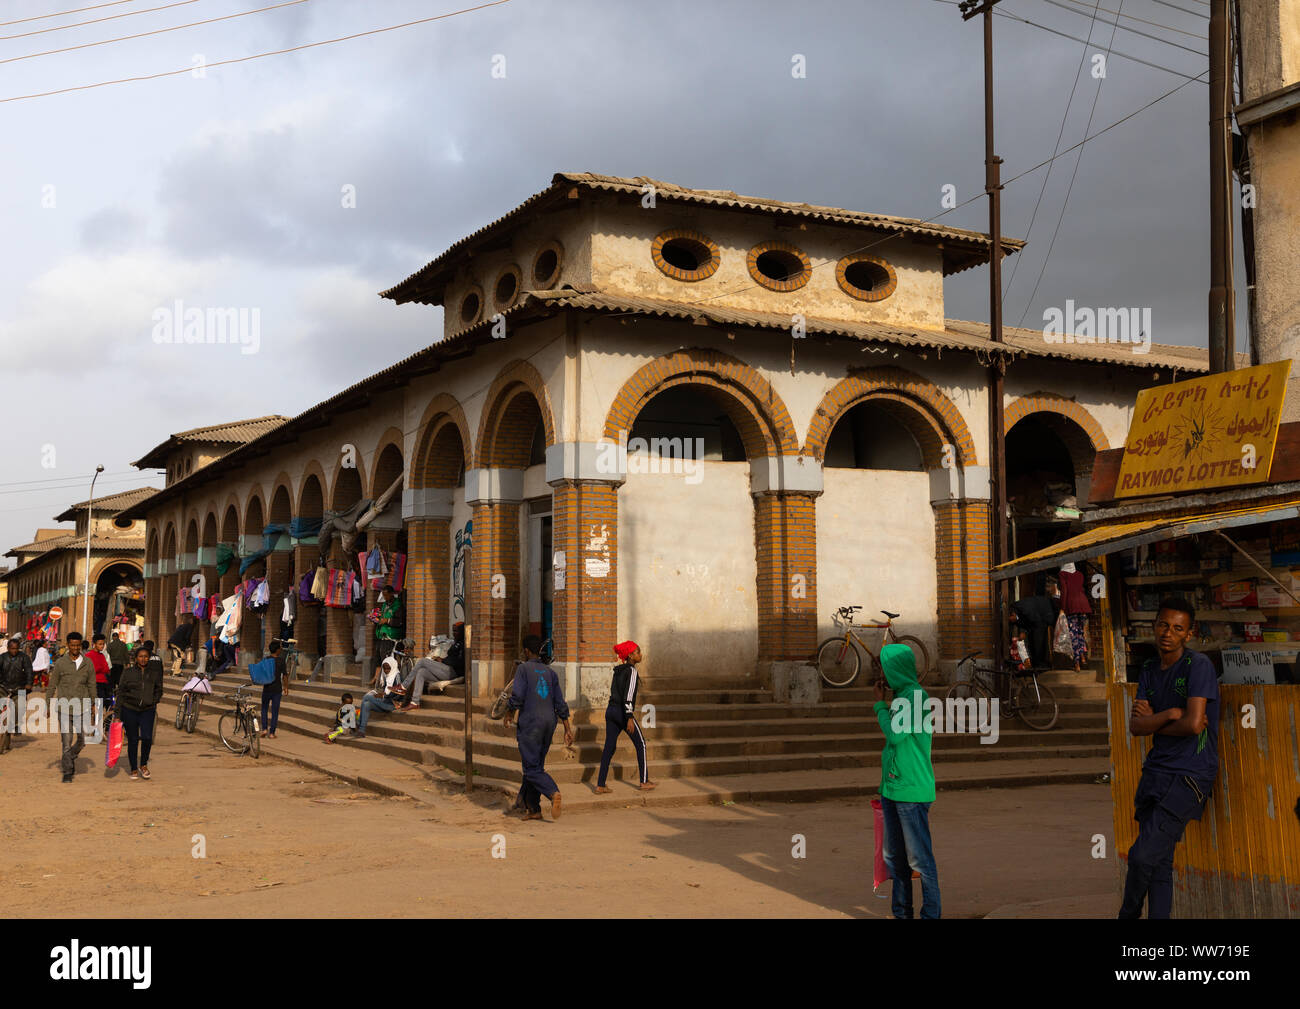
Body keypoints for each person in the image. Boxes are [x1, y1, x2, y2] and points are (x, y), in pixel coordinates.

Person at [1120, 596, 1219, 920]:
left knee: (1141, 857)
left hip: (1189, 776)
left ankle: (1127, 916)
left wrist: (1158, 720)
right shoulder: (1149, 668)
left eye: (1177, 628)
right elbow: (1136, 726)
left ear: (1188, 635)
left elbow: (1193, 724)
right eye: (1163, 625)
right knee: (1159, 865)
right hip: (1156, 774)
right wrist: (1169, 714)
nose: (1168, 633)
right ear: (1155, 626)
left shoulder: (1197, 665)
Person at [873, 642, 941, 919]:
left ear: (896, 669)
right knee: (896, 860)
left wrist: (879, 704)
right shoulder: (903, 696)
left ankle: (931, 915)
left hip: (911, 792)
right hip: (893, 788)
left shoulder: (915, 697)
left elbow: (896, 736)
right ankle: (902, 913)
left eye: (885, 668)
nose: (882, 675)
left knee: (920, 861)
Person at [501, 635, 573, 820]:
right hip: (550, 722)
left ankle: (552, 792)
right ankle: (533, 809)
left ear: (526, 651)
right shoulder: (550, 672)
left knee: (532, 768)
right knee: (536, 765)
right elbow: (560, 702)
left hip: (531, 723)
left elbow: (517, 696)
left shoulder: (523, 669)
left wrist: (509, 713)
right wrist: (567, 728)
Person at [594, 640, 654, 793]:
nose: (640, 655)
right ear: (630, 655)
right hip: (622, 713)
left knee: (609, 747)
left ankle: (600, 785)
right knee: (641, 743)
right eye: (637, 652)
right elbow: (628, 696)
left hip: (611, 711)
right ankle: (644, 781)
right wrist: (629, 717)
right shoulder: (632, 671)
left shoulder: (618, 670)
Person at [47, 632, 96, 783]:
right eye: (72, 645)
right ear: (68, 645)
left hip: (82, 707)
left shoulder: (88, 663)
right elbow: (52, 684)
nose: (75, 648)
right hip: (64, 708)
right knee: (66, 741)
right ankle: (67, 771)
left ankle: (70, 757)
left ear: (81, 645)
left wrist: (94, 703)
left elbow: (92, 684)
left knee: (82, 739)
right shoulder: (61, 663)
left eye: (78, 645)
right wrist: (48, 704)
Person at [114, 644, 163, 780]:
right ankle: (134, 768)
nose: (143, 659)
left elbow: (159, 689)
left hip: (147, 710)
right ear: (136, 658)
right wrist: (117, 714)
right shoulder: (128, 672)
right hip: (130, 709)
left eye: (146, 657)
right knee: (133, 739)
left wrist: (153, 701)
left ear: (149, 658)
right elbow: (121, 693)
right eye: (140, 656)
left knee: (147, 737)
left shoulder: (154, 673)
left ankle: (144, 764)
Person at [1058, 562, 1093, 671]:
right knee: (1080, 633)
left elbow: (1064, 591)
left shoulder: (1062, 574)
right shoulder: (1079, 574)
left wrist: (1062, 607)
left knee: (1073, 635)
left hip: (1071, 605)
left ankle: (1077, 663)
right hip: (1083, 604)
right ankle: (1083, 657)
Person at [1, 638, 33, 740]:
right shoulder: (2, 658)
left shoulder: (24, 658)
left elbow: (29, 672)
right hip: (3, 687)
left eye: (16, 648)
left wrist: (29, 684)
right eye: (12, 648)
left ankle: (15, 724)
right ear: (8, 648)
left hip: (19, 688)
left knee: (20, 707)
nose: (14, 651)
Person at [260, 639, 288, 739]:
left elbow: (262, 673)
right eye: (280, 648)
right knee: (275, 711)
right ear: (277, 650)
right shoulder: (281, 661)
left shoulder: (266, 660)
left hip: (267, 688)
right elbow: (284, 675)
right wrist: (286, 687)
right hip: (277, 689)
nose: (281, 649)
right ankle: (271, 733)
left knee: (264, 709)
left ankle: (264, 729)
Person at [373, 585, 404, 664]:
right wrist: (377, 618)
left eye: (386, 595)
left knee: (386, 657)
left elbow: (400, 621)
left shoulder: (398, 605)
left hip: (392, 635)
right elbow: (383, 616)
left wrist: (387, 620)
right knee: (379, 656)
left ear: (392, 594)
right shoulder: (385, 604)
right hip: (383, 634)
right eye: (384, 595)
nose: (385, 597)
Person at [87, 634, 112, 707]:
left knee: (106, 703)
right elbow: (91, 670)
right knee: (97, 706)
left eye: (103, 644)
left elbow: (106, 669)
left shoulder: (102, 655)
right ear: (94, 644)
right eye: (100, 644)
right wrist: (101, 668)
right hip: (94, 684)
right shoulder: (89, 655)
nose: (102, 646)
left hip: (104, 683)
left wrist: (99, 668)